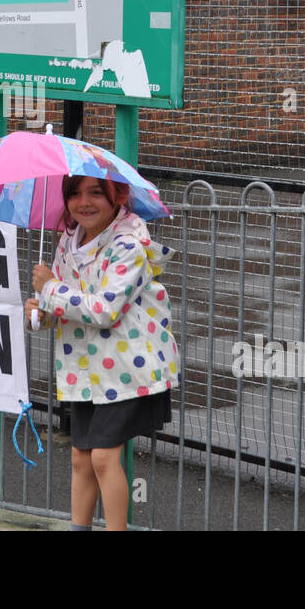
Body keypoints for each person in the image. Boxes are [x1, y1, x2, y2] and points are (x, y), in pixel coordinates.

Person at [24, 175, 178, 531]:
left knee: (105, 457)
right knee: (81, 457)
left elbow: (105, 309)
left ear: (118, 197)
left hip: (127, 367)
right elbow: (65, 306)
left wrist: (51, 288)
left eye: (96, 193)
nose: (84, 202)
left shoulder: (129, 246)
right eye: (74, 194)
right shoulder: (68, 241)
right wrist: (38, 312)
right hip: (86, 368)